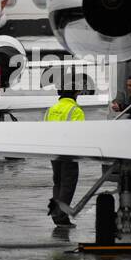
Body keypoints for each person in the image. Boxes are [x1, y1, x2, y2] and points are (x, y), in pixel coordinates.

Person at [45, 88, 84, 226]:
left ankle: (58, 215)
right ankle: (61, 216)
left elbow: (45, 130)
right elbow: (79, 134)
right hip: (68, 152)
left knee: (58, 183)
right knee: (68, 184)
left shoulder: (51, 109)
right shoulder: (75, 110)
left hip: (53, 152)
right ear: (75, 94)